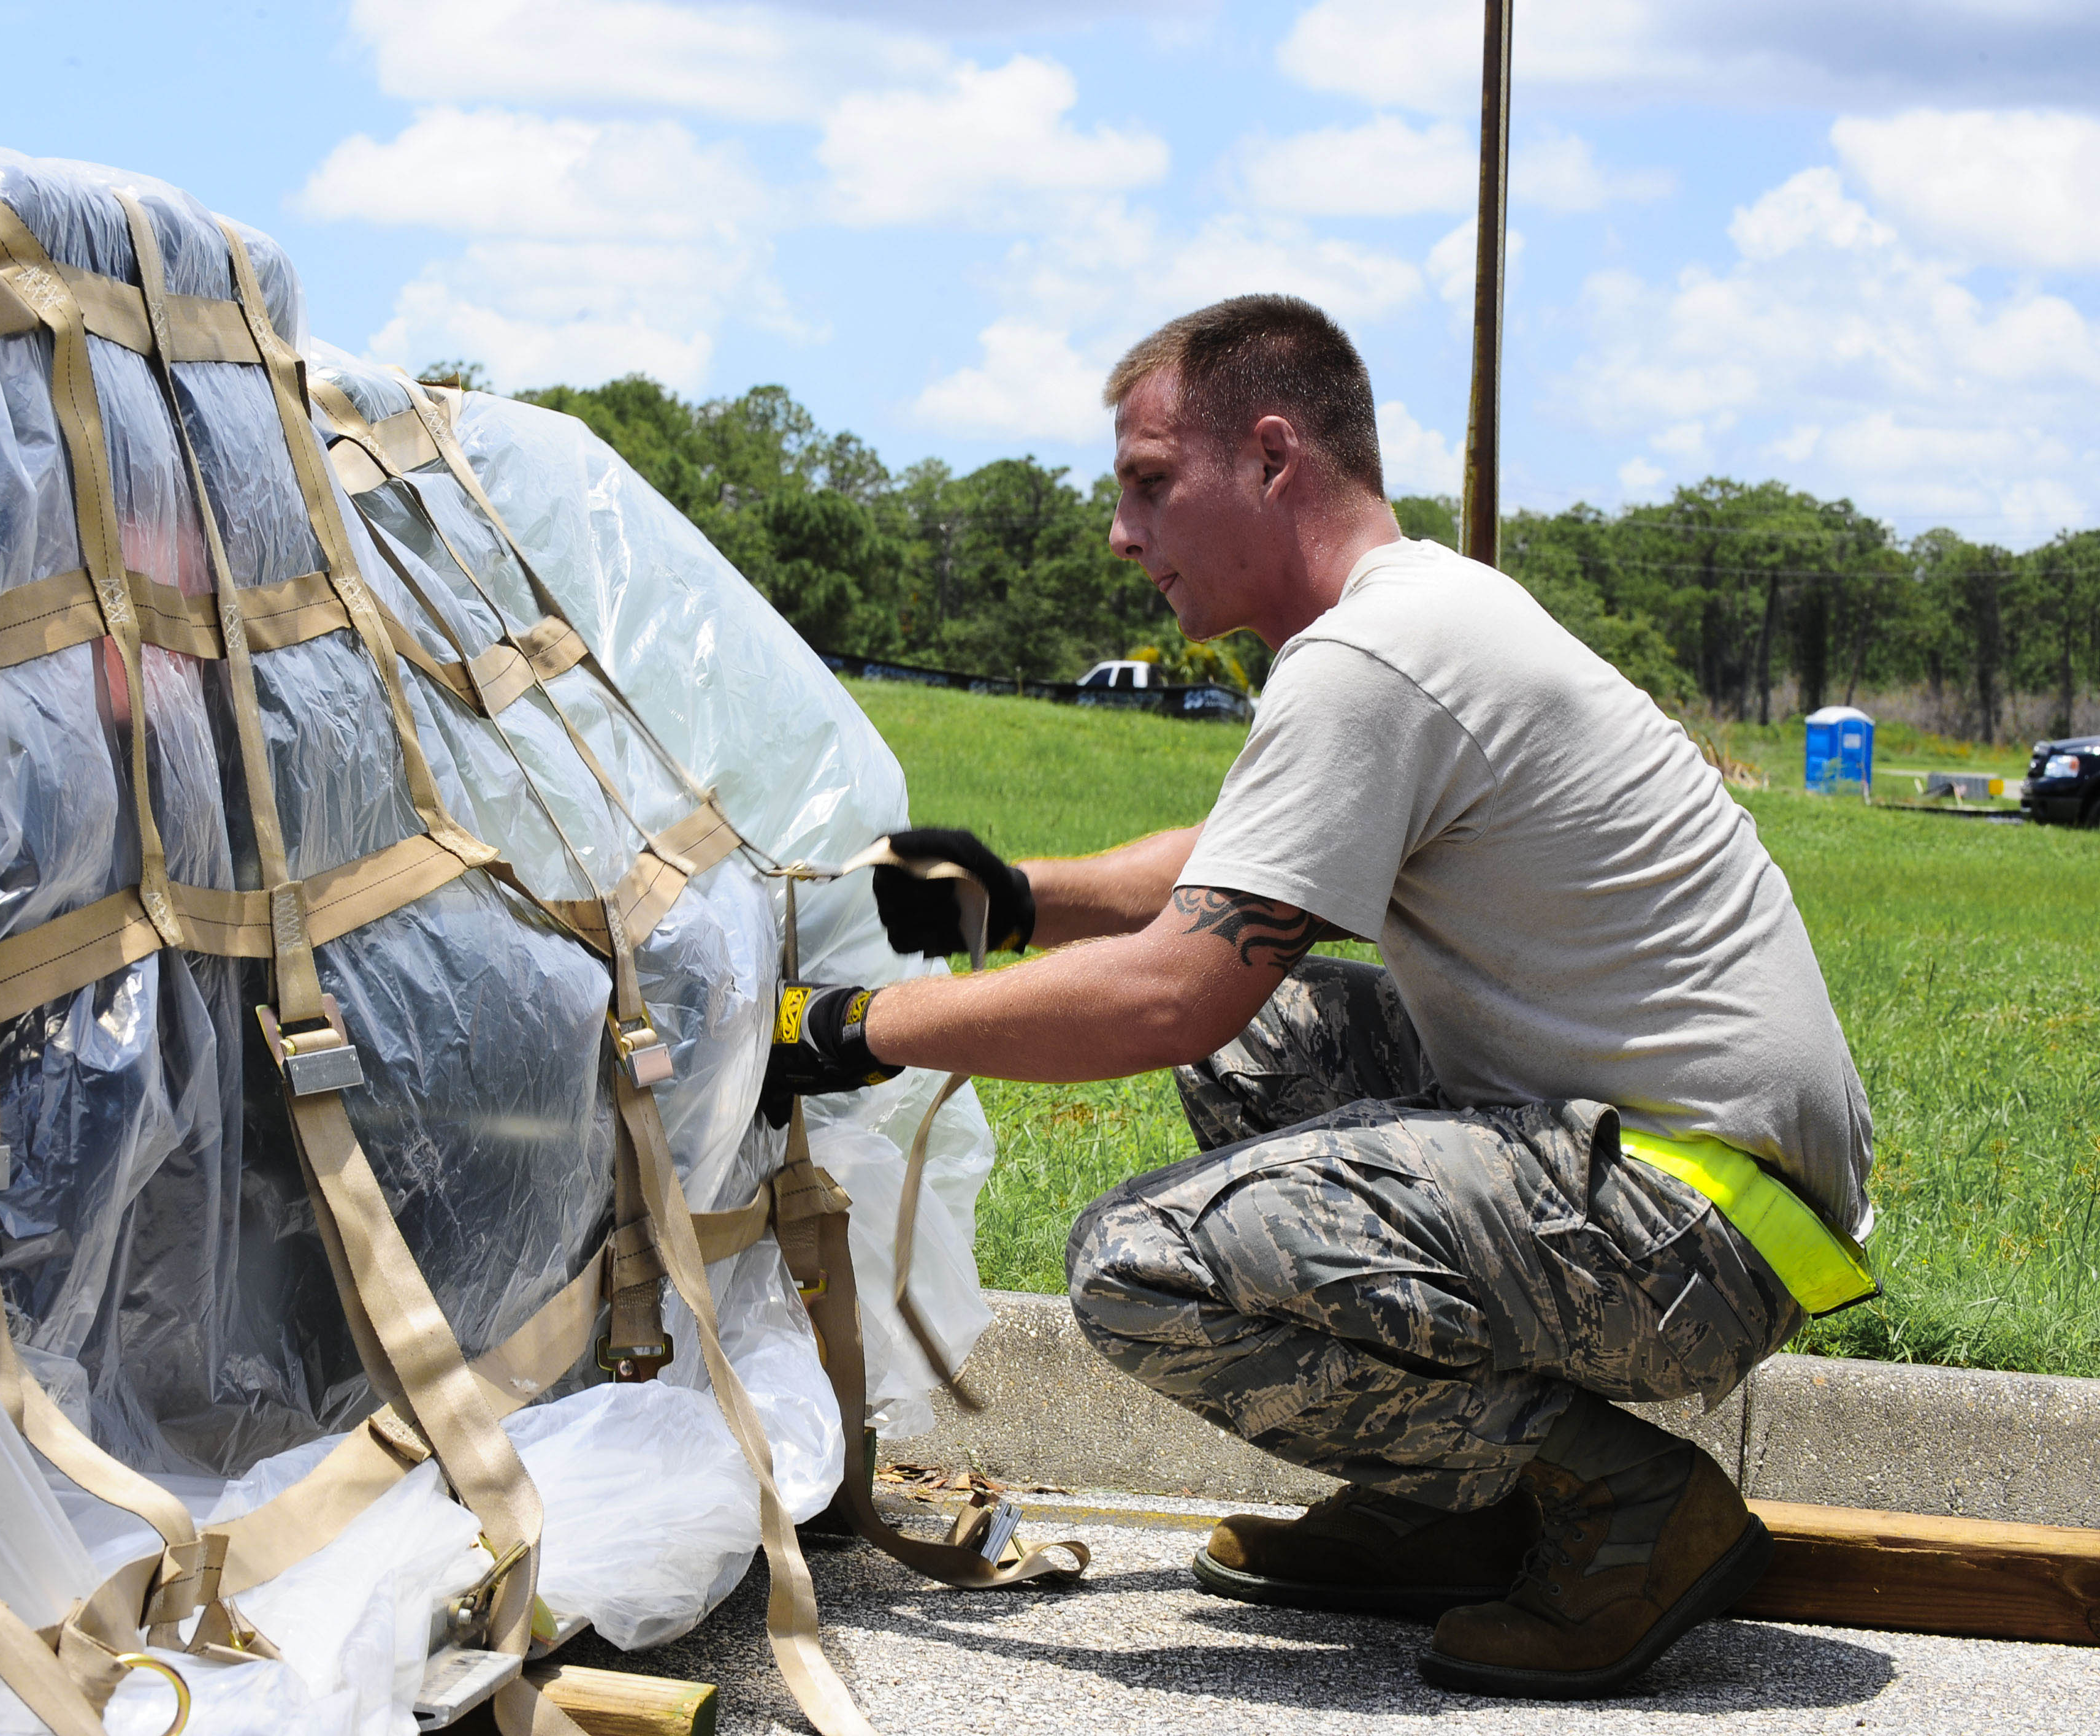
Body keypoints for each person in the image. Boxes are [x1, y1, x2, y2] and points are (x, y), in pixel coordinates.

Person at [763, 294, 1876, 1699]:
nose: (1122, 532)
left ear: (1273, 457)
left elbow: (1177, 993)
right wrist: (1009, 895)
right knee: (1279, 1047)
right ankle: (1447, 1511)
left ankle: (1624, 1508)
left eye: (1152, 483)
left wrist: (843, 1036)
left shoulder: (1372, 656)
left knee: (1143, 1267)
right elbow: (1231, 861)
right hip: (1696, 1181)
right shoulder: (1408, 618)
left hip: (1698, 1228)